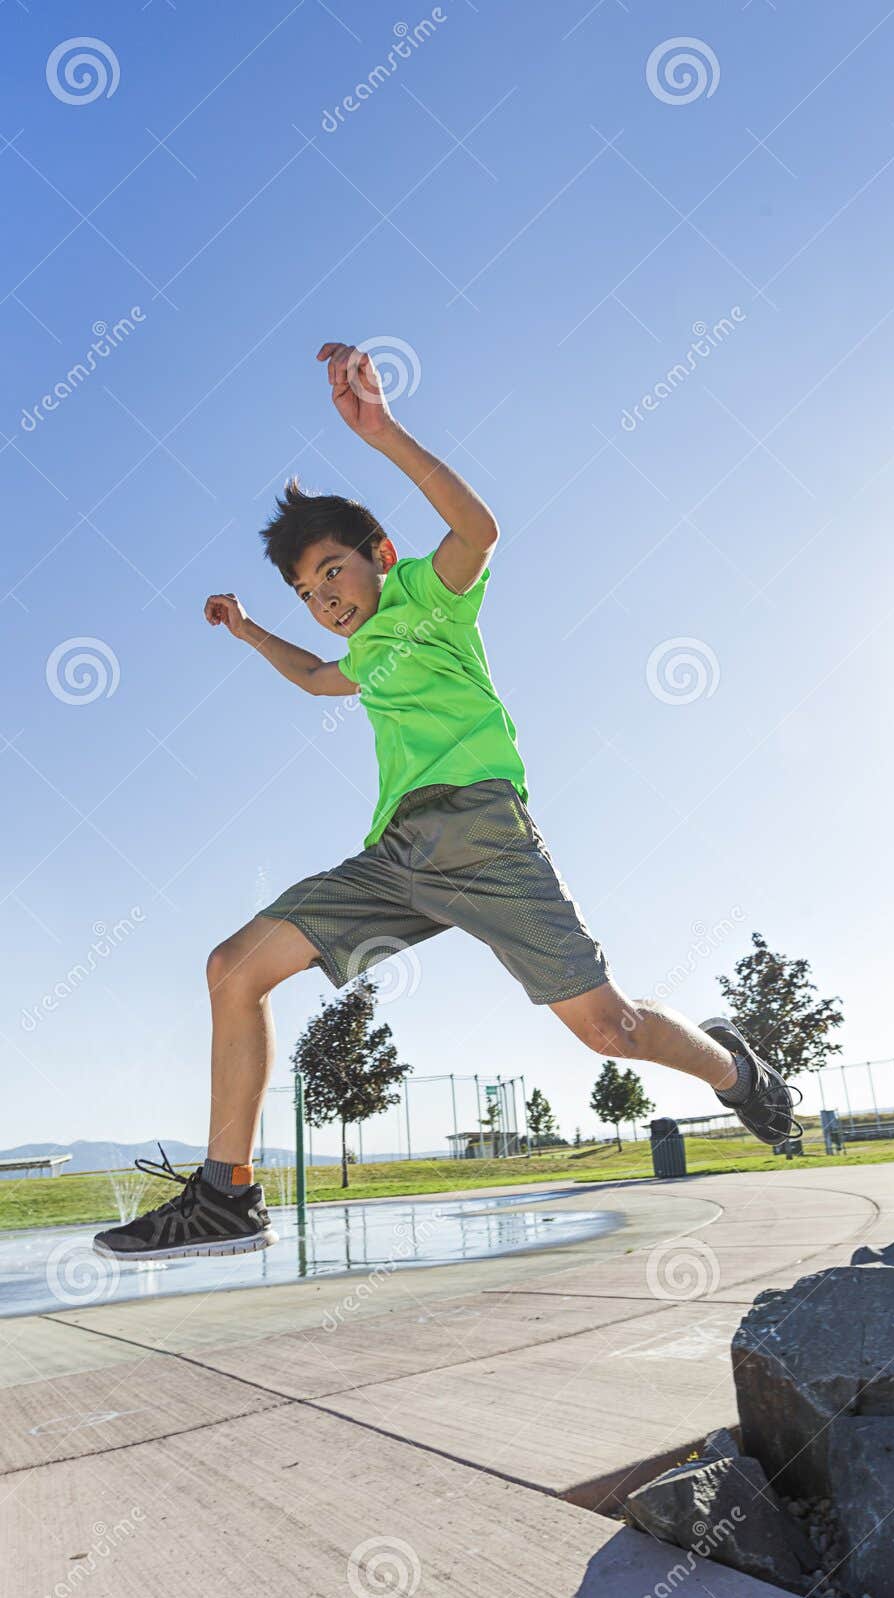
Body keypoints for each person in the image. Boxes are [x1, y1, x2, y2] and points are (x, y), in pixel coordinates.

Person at [93, 342, 798, 1262]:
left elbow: (479, 530)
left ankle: (735, 1069)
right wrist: (246, 626)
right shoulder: (355, 657)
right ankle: (226, 1196)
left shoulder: (430, 595)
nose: (327, 600)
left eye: (335, 573)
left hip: (482, 837)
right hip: (395, 857)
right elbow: (314, 679)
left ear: (377, 555)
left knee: (609, 1032)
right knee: (234, 968)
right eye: (309, 592)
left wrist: (383, 432)